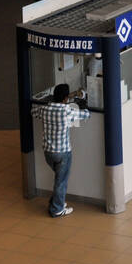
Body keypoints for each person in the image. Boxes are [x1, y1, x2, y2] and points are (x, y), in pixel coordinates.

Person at [31, 83, 91, 218]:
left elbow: (33, 112)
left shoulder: (45, 110)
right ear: (65, 99)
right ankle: (57, 209)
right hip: (63, 153)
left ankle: (55, 202)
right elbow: (87, 114)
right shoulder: (67, 111)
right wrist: (82, 102)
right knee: (61, 181)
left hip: (48, 153)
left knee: (60, 179)